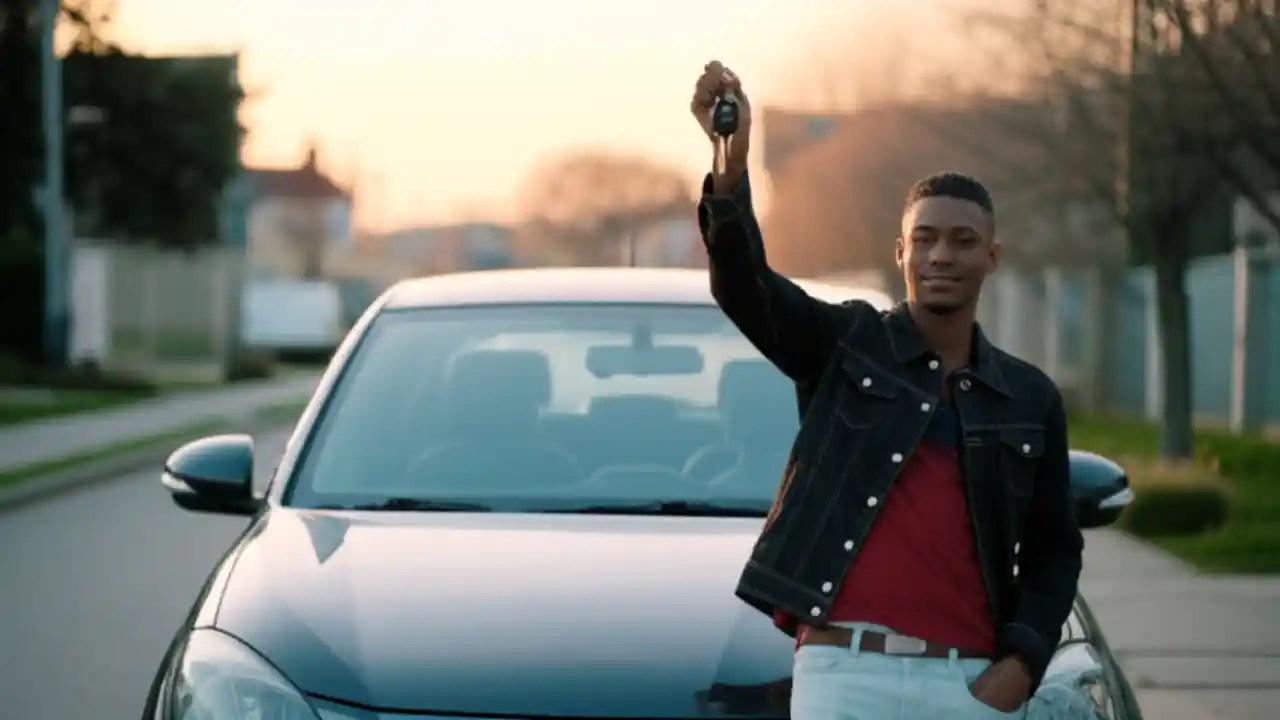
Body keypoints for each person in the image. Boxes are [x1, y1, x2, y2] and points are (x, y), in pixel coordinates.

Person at [690, 61, 1084, 719]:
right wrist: (730, 166)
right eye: (925, 239)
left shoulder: (1028, 398)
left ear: (992, 257)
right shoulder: (843, 345)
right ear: (900, 251)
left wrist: (1019, 668)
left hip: (969, 686)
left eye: (963, 242)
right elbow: (744, 286)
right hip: (843, 676)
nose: (941, 256)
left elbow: (1054, 553)